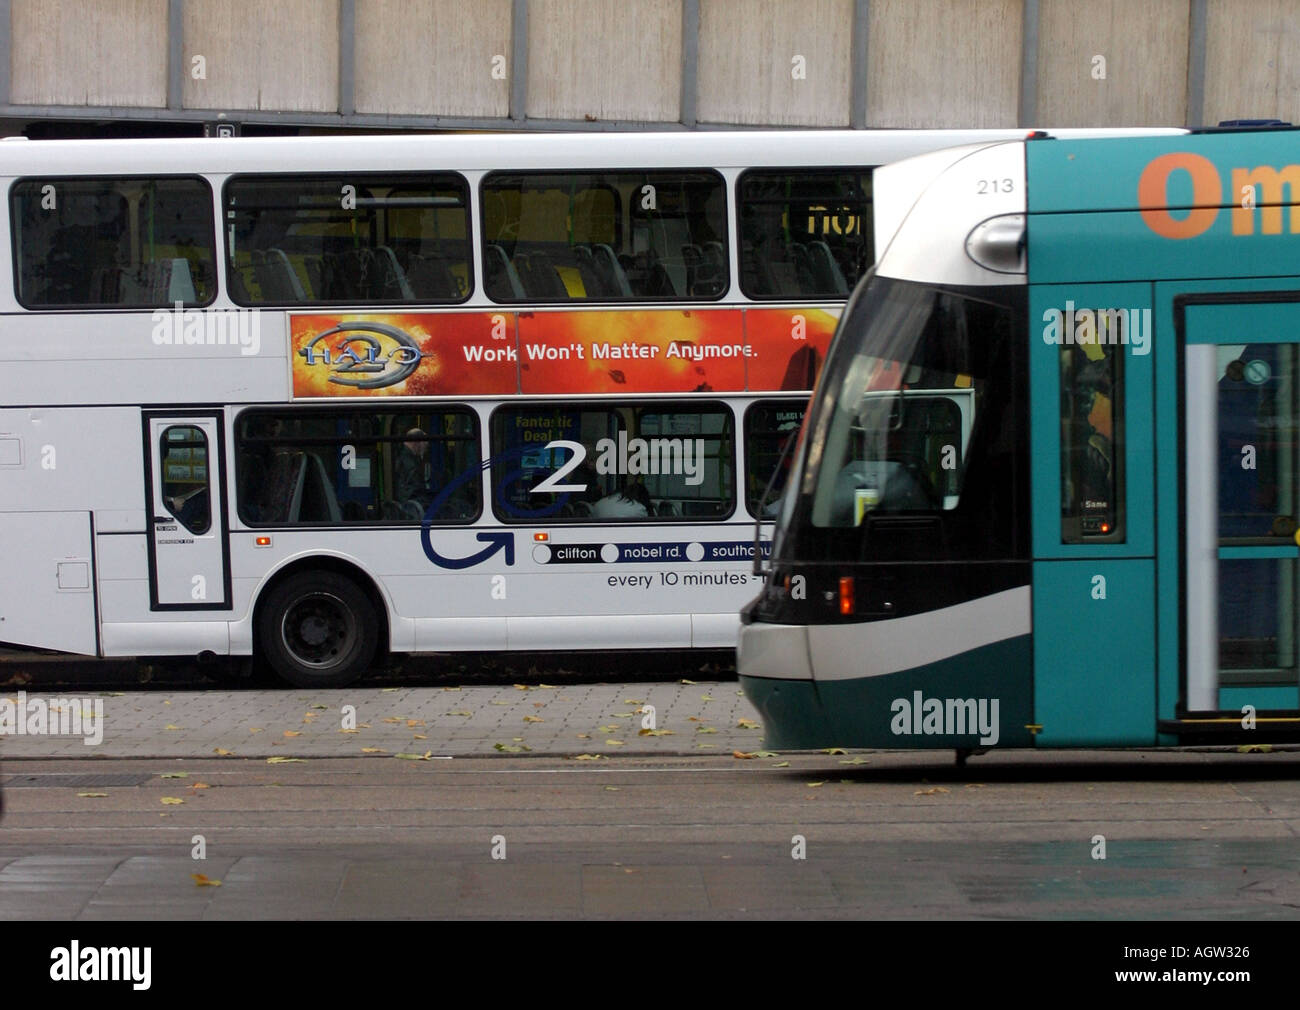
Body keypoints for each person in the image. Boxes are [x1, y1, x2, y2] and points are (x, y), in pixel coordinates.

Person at [394, 428, 434, 508]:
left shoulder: (399, 454)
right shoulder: (410, 463)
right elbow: (414, 490)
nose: (426, 447)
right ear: (416, 442)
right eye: (424, 443)